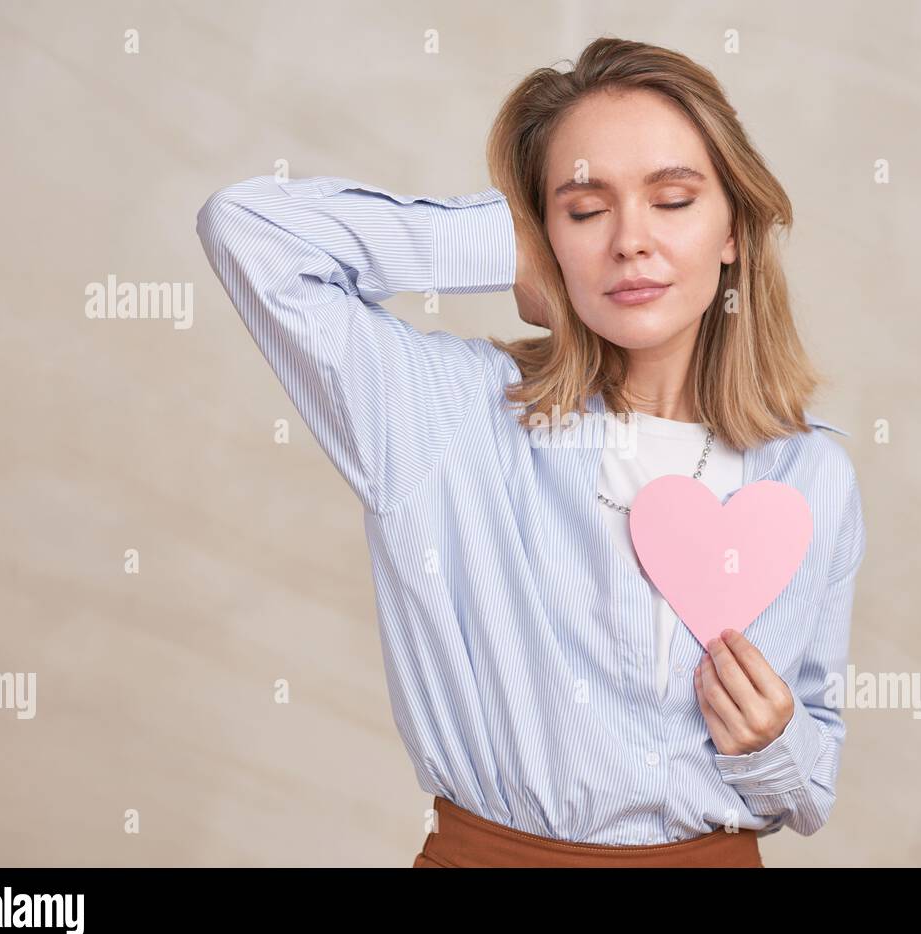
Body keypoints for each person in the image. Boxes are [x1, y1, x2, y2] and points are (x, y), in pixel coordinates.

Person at [195, 36, 866, 867]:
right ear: (544, 230)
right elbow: (247, 227)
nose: (630, 240)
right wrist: (495, 247)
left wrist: (772, 741)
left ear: (734, 228)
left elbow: (812, 784)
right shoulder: (445, 413)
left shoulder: (811, 475)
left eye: (674, 200)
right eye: (585, 210)